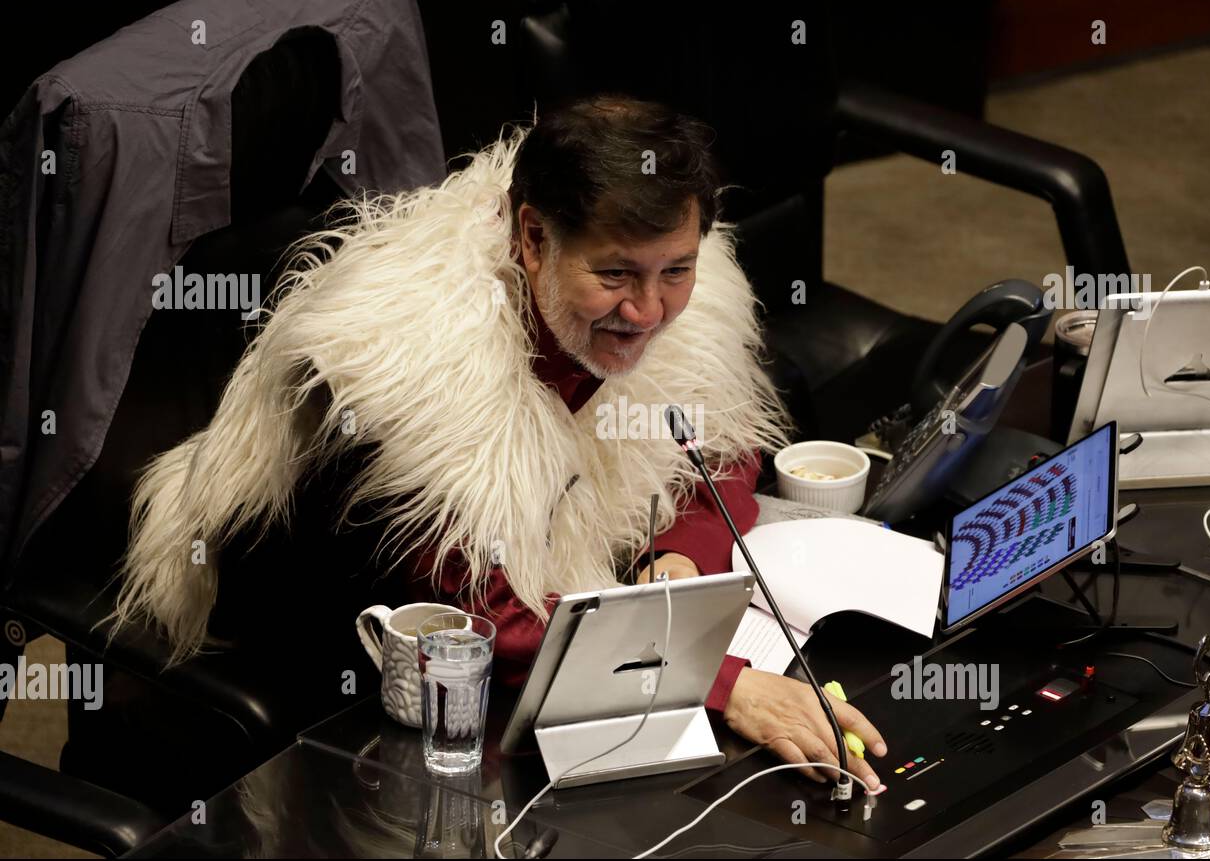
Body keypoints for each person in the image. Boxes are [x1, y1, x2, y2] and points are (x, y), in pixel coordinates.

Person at [107, 94, 886, 789]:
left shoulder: (687, 296)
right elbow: (495, 625)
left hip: (572, 602)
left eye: (675, 270)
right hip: (346, 650)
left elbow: (722, 448)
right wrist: (724, 686)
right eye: (615, 275)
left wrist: (676, 550)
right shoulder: (415, 367)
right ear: (534, 238)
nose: (649, 311)